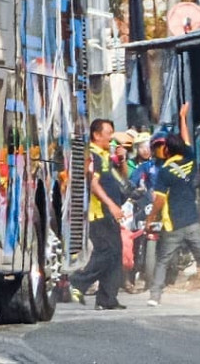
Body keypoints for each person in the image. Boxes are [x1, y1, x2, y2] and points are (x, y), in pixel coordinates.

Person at [145, 102, 200, 306]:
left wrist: (150, 220)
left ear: (167, 150)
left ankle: (155, 296)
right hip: (193, 221)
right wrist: (183, 119)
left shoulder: (165, 172)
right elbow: (186, 142)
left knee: (163, 260)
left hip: (174, 223)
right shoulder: (190, 161)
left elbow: (159, 201)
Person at [69, 118, 129, 310]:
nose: (111, 138)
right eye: (108, 133)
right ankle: (77, 282)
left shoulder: (105, 155)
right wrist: (111, 205)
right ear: (96, 135)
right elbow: (93, 184)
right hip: (98, 212)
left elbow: (123, 179)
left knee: (116, 253)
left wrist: (122, 160)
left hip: (111, 212)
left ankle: (107, 298)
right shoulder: (92, 155)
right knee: (107, 251)